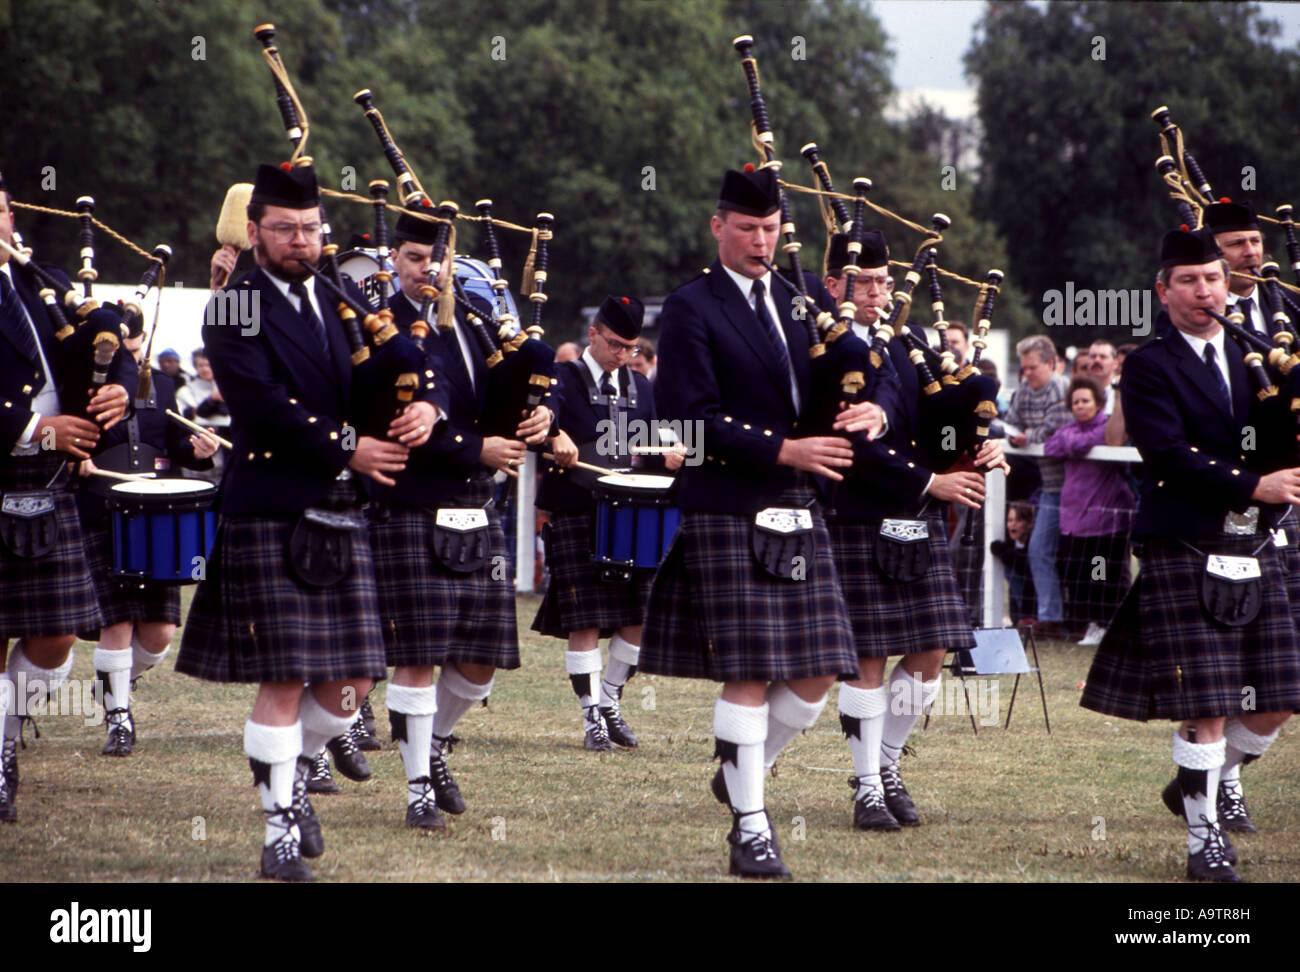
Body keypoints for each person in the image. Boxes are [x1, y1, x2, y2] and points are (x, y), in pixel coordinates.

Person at [175, 162, 432, 880]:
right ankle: (279, 823)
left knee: (352, 681)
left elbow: (401, 361)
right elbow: (262, 407)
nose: (301, 240)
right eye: (285, 229)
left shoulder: (337, 293)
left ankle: (301, 763)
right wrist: (353, 447)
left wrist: (424, 403)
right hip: (274, 506)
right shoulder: (235, 305)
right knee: (286, 680)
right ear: (254, 232)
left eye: (311, 228)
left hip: (342, 509)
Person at [641, 167, 887, 878]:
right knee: (748, 674)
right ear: (718, 227)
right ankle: (751, 824)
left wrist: (876, 409)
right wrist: (786, 447)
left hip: (799, 508)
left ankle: (743, 766)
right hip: (726, 506)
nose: (759, 241)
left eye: (771, 230)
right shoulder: (692, 307)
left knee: (815, 676)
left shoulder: (801, 300)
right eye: (747, 229)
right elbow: (690, 416)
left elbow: (868, 373)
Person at [1081, 228, 1300, 882]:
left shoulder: (1257, 355)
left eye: (1212, 278)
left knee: (1279, 698)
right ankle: (1205, 840)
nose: (1204, 290)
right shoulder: (1148, 365)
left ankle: (1198, 781)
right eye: (1189, 281)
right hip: (1182, 536)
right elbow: (1167, 454)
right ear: (1164, 290)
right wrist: (1250, 483)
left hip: (1256, 539)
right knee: (1204, 703)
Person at [822, 231, 1007, 831]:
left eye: (883, 281)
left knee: (930, 654)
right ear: (834, 286)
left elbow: (935, 432)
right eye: (864, 283)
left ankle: (886, 761)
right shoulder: (832, 347)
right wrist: (932, 483)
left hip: (915, 516)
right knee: (868, 661)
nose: (878, 293)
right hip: (859, 514)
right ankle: (868, 787)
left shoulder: (911, 344)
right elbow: (853, 446)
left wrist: (977, 450)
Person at [376, 206, 553, 826]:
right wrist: (477, 448)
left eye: (438, 260)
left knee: (479, 663)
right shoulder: (381, 327)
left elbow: (498, 406)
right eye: (416, 259)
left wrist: (540, 419)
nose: (427, 271)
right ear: (395, 260)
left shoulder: (471, 324)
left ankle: (435, 745)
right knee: (420, 655)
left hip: (478, 505)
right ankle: (418, 784)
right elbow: (398, 424)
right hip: (413, 502)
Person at [0, 173, 132, 821]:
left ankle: (4, 732)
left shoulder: (37, 282)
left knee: (54, 637)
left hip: (47, 486)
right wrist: (32, 428)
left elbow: (110, 333)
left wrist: (120, 389)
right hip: (11, 462)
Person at [533, 295, 682, 751]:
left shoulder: (641, 386)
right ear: (592, 333)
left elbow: (659, 436)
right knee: (587, 624)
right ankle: (590, 718)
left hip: (631, 512)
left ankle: (610, 698)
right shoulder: (562, 378)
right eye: (615, 344)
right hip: (578, 508)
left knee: (638, 618)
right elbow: (539, 418)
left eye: (631, 347)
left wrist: (674, 450)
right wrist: (554, 433)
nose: (622, 354)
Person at [76, 315, 221, 755]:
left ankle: (114, 685)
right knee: (117, 623)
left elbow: (177, 447)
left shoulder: (162, 383)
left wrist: (198, 451)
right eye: (121, 336)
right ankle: (118, 716)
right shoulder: (89, 381)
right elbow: (67, 433)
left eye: (135, 337)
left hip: (155, 512)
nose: (129, 344)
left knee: (159, 633)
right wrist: (72, 458)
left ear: (145, 338)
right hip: (105, 508)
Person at [1043, 375, 1134, 647]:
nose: (1080, 406)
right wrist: (1077, 443)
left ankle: (1106, 625)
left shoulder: (1109, 427)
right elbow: (1051, 446)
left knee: (1104, 578)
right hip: (1074, 520)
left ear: (1098, 404)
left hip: (1106, 521)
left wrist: (1074, 444)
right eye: (1076, 402)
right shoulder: (1070, 429)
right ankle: (1088, 625)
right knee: (1077, 577)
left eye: (1086, 401)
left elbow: (1102, 439)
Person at [1005, 335, 1071, 638]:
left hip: (1073, 485)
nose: (1027, 373)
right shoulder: (1022, 391)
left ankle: (1057, 616)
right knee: (1038, 549)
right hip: (1049, 485)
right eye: (1024, 368)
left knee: (1051, 551)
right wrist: (1028, 434)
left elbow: (1055, 428)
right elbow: (1012, 423)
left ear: (1051, 363)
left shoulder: (1061, 387)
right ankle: (1049, 616)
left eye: (1033, 367)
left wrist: (1028, 435)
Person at [1204, 199, 1268, 335]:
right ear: (1214, 252)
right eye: (1237, 243)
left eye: (1255, 241)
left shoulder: (1290, 302)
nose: (1251, 252)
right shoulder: (1196, 312)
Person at [175, 349, 230, 485]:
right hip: (198, 438)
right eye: (201, 365)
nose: (205, 369)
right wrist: (211, 400)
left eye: (208, 364)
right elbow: (185, 415)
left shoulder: (228, 387)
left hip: (226, 439)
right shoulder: (186, 390)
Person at [989, 502, 1036, 622]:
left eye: (1018, 520)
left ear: (1030, 524)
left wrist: (1007, 554)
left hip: (1034, 597)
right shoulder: (1009, 543)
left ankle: (1029, 618)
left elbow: (1023, 565)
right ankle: (1018, 618)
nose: (1013, 524)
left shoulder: (1034, 545)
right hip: (1019, 597)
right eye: (1010, 520)